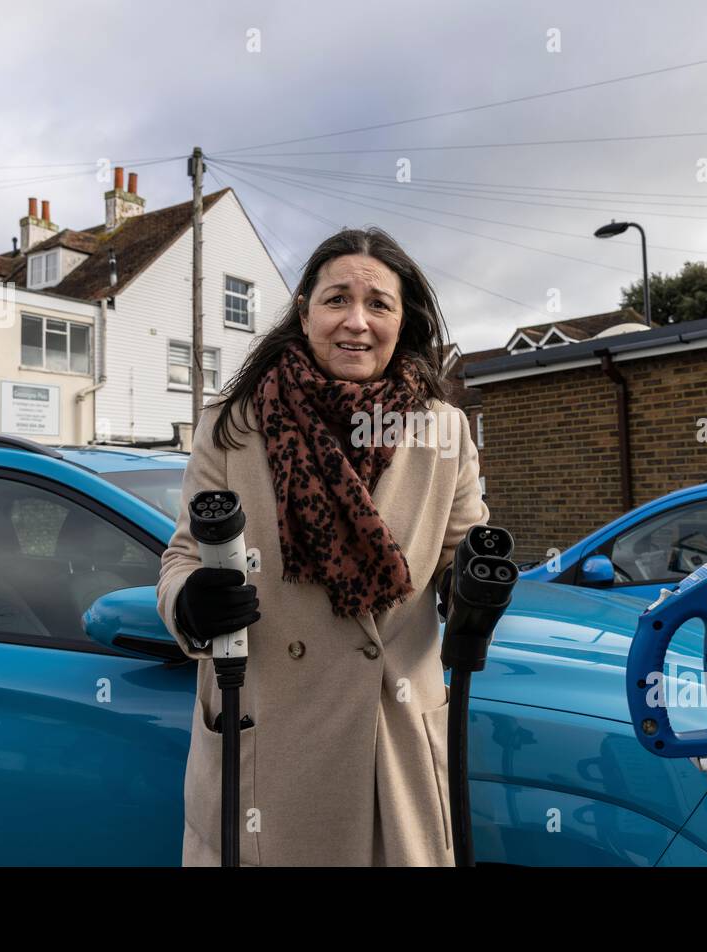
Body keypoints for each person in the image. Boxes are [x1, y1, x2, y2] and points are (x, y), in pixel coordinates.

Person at [157, 226, 488, 866]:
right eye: (337, 300)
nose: (356, 322)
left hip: (390, 751)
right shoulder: (233, 424)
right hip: (267, 748)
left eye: (379, 305)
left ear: (403, 320)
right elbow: (182, 559)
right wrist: (191, 602)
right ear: (305, 311)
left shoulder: (443, 430)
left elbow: (458, 555)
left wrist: (477, 583)